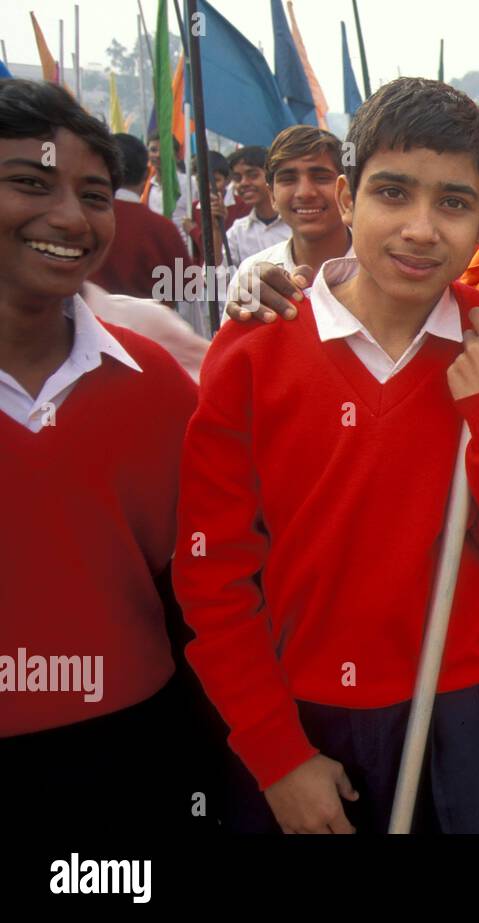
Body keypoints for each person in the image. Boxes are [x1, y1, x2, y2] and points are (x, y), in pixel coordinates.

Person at [173, 77, 479, 834]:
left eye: (454, 203)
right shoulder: (253, 346)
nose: (422, 228)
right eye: (392, 193)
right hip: (300, 712)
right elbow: (212, 571)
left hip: (461, 705)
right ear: (345, 196)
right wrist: (275, 752)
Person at [0, 79, 204, 832]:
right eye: (30, 183)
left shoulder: (155, 382)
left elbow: (199, 585)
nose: (69, 217)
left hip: (132, 759)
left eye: (93, 194)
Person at [223, 127, 352, 322]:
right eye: (288, 179)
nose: (305, 193)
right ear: (272, 195)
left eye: (321, 177)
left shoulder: (381, 266)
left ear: (345, 190)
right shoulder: (252, 276)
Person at [89, 132, 193, 304]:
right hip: (150, 327)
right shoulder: (161, 228)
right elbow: (189, 288)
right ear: (146, 175)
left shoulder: (81, 219)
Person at [225, 144, 289, 268]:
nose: (243, 183)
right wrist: (216, 231)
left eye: (253, 175)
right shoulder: (238, 231)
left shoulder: (295, 223)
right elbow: (212, 281)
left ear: (271, 177)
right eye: (237, 178)